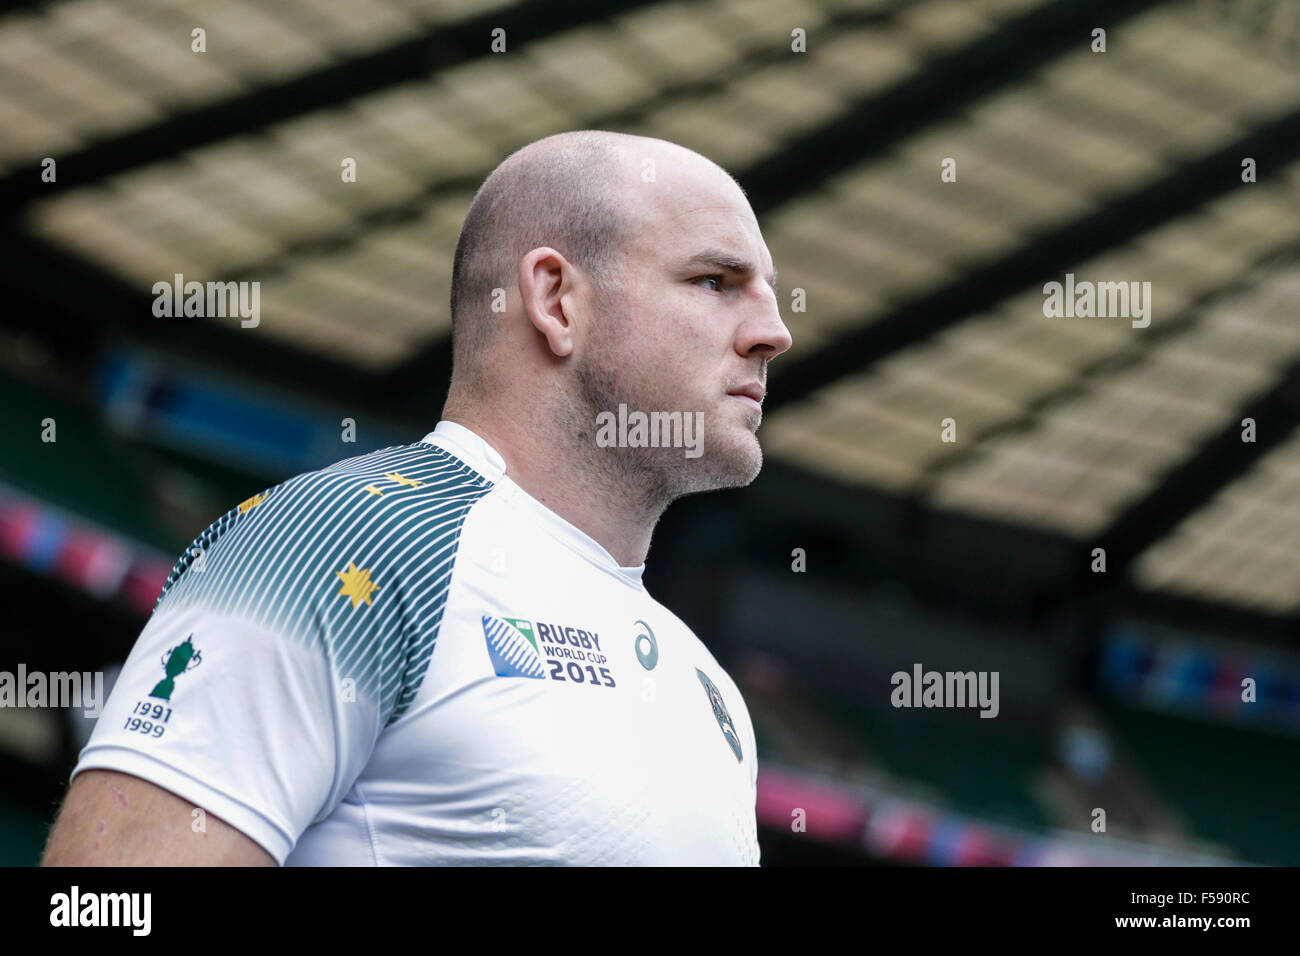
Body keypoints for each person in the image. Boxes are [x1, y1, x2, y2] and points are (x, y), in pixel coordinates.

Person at [42, 129, 793, 866]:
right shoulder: (344, 540)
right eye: (714, 283)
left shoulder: (707, 692)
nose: (774, 332)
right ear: (557, 299)